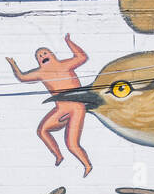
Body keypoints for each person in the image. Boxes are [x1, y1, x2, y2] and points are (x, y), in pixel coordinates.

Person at [7, 33, 93, 175]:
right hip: (60, 109)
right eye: (39, 56)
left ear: (52, 55)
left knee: (72, 144)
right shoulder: (41, 73)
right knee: (42, 130)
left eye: (44, 53)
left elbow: (82, 57)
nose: (42, 56)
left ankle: (87, 165)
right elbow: (22, 77)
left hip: (76, 108)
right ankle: (58, 155)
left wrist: (68, 41)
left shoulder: (65, 65)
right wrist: (13, 64)